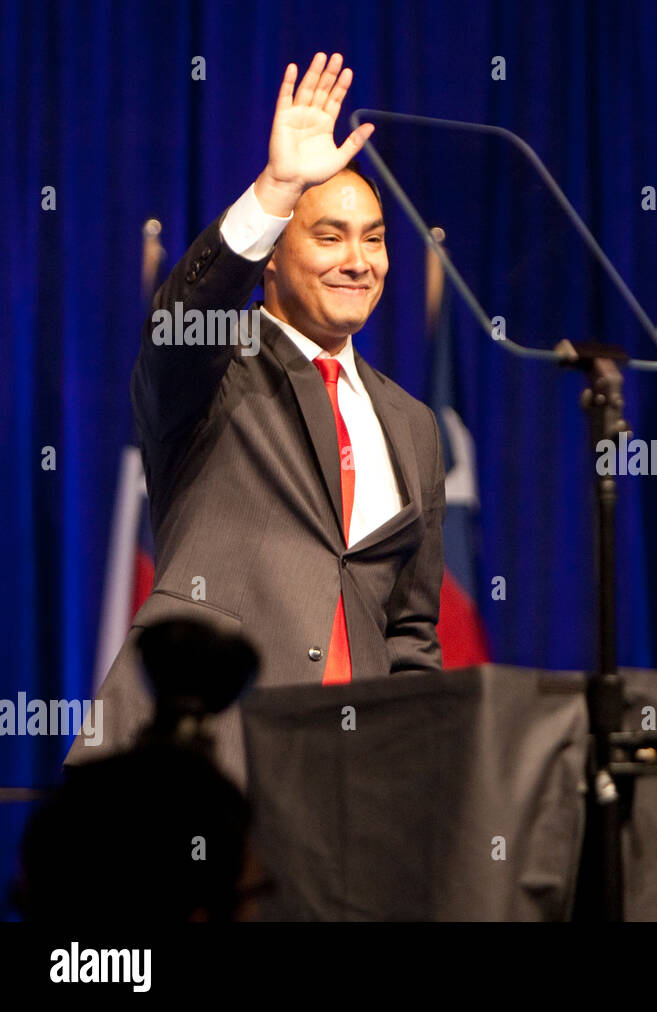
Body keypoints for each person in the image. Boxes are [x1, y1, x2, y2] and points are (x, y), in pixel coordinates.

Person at [65, 53, 446, 787]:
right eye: (329, 236)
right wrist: (276, 191)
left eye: (374, 238)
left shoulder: (413, 425)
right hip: (195, 761)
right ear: (272, 258)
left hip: (350, 788)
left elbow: (409, 630)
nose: (358, 260)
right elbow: (179, 323)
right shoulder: (216, 368)